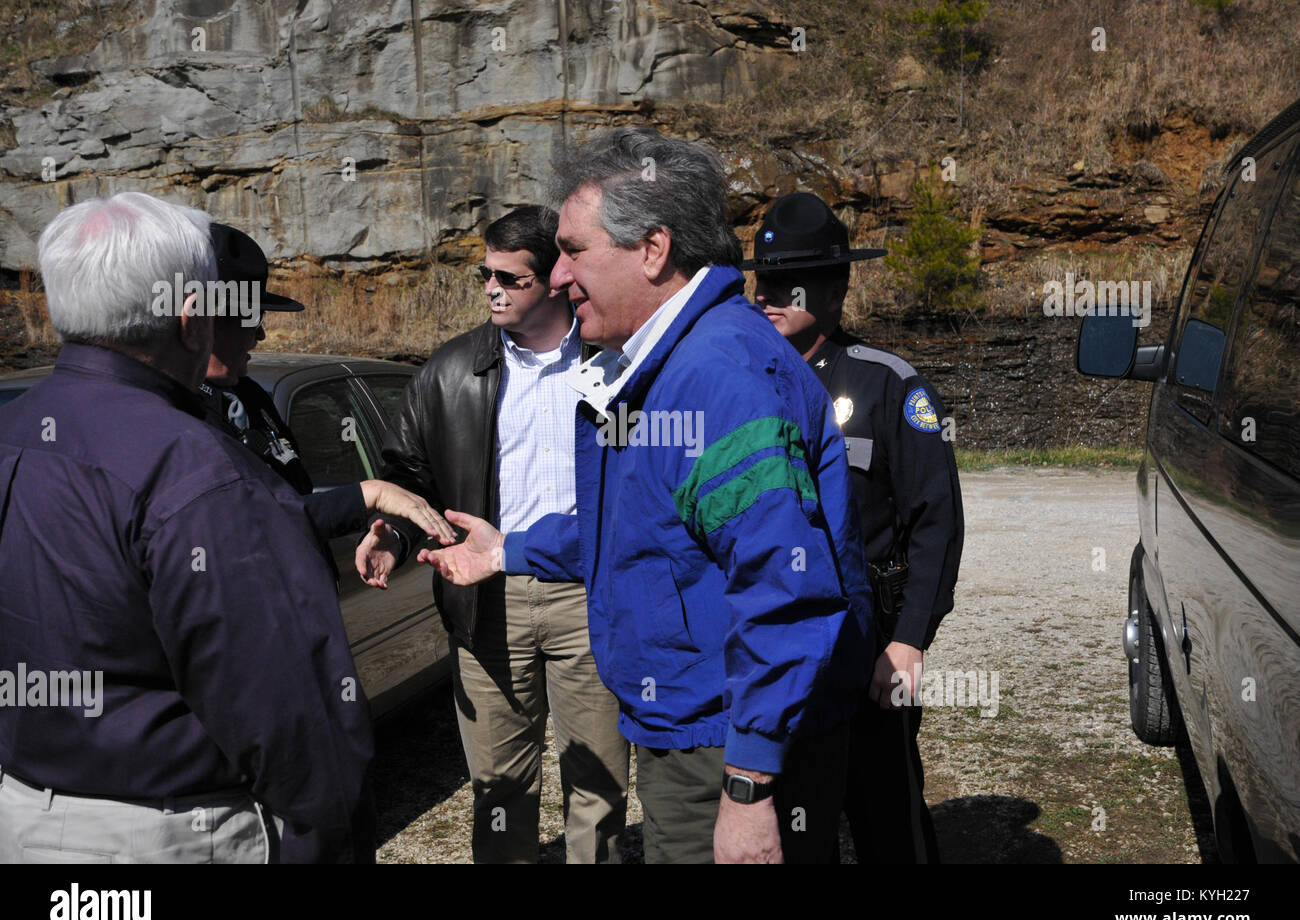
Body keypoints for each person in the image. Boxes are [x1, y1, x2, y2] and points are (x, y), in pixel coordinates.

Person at [422, 130, 872, 864]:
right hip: (695, 736)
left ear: (653, 249)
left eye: (574, 250)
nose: (559, 274)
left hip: (721, 747)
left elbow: (785, 587)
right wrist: (510, 548)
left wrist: (750, 786)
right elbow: (639, 528)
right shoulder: (665, 365)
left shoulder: (716, 375)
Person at [0, 192, 374, 863]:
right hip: (166, 835)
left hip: (23, 818)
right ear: (191, 316)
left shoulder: (14, 433)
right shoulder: (198, 469)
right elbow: (289, 714)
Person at [355, 206, 629, 863]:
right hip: (486, 604)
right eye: (485, 273)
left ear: (557, 279)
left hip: (586, 598)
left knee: (598, 786)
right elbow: (405, 474)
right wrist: (391, 530)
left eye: (510, 276)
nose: (490, 288)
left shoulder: (615, 365)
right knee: (500, 792)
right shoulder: (448, 372)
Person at [744, 191, 964, 863]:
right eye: (763, 279)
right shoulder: (741, 382)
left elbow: (938, 521)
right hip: (776, 650)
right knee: (788, 829)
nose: (769, 294)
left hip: (865, 648)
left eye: (791, 280)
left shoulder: (889, 385)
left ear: (836, 288)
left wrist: (908, 640)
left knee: (886, 820)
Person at [199, 223, 451, 551]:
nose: (259, 336)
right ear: (204, 322)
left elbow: (293, 495)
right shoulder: (172, 417)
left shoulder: (249, 396)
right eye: (251, 319)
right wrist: (367, 495)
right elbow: (242, 529)